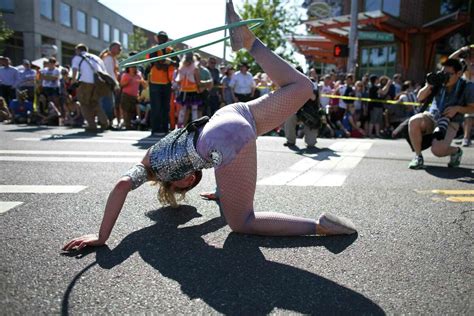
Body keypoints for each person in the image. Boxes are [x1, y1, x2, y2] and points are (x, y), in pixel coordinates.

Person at [62, 0, 356, 252]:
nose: (190, 181)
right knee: (303, 87)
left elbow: (122, 185)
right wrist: (224, 192)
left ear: (167, 183)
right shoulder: (166, 153)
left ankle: (318, 226)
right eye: (194, 180)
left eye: (185, 184)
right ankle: (249, 42)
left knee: (242, 223)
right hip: (229, 117)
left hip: (221, 131)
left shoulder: (149, 165)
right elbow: (217, 169)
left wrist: (102, 236)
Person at [407, 58, 474, 169]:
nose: (445, 76)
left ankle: (456, 151)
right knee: (414, 120)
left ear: (459, 74)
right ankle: (418, 157)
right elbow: (419, 97)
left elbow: (472, 108)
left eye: (449, 74)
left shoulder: (467, 86)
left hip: (451, 121)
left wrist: (457, 108)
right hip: (433, 117)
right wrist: (428, 85)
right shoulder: (439, 82)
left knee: (438, 151)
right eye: (443, 73)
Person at [71, 43, 110, 132]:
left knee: (84, 103)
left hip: (85, 82)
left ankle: (92, 124)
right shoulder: (96, 58)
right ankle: (104, 122)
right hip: (98, 83)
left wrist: (73, 81)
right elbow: (104, 71)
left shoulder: (77, 57)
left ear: (78, 50)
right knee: (95, 103)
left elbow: (75, 69)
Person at [147, 31, 176, 136]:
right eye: (160, 37)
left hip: (167, 82)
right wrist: (168, 62)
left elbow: (177, 62)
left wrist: (166, 62)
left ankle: (164, 128)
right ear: (157, 39)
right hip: (155, 82)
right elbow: (157, 65)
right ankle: (155, 129)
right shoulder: (154, 49)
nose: (162, 39)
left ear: (166, 39)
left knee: (166, 106)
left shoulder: (171, 50)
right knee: (156, 106)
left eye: (164, 38)